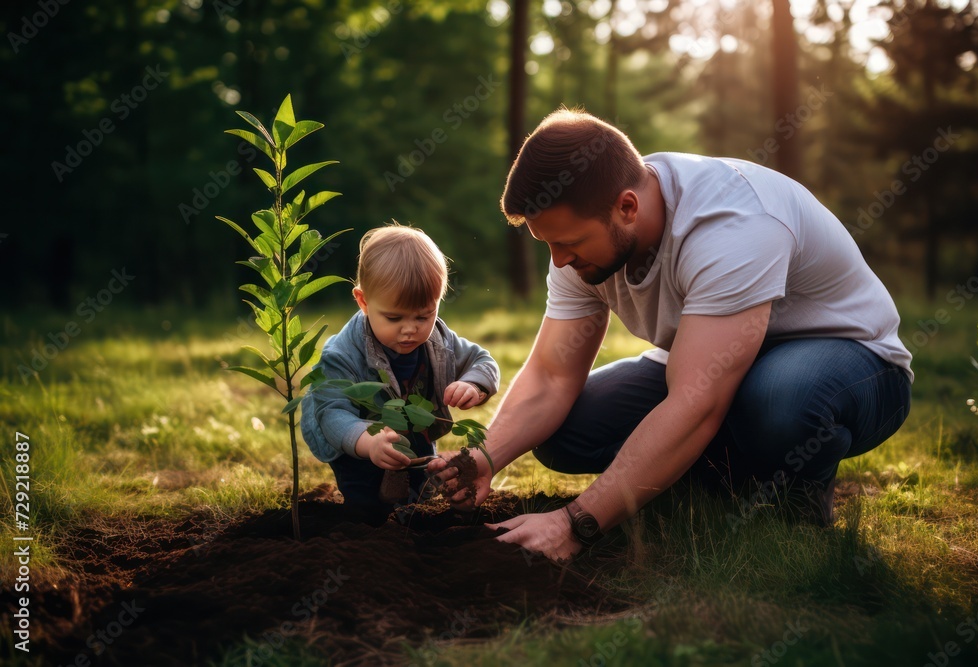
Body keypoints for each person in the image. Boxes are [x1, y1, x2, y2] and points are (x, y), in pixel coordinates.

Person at [429, 108, 913, 561]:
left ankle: (798, 506)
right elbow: (553, 375)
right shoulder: (586, 240)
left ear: (627, 207)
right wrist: (485, 458)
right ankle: (717, 485)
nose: (559, 262)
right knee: (565, 434)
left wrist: (576, 524)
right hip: (713, 364)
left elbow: (696, 403)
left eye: (569, 243)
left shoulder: (732, 226)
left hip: (852, 365)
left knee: (779, 404)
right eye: (548, 244)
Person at [300, 224, 500, 512]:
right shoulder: (343, 353)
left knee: (421, 495)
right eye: (394, 318)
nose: (410, 329)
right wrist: (367, 442)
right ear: (363, 301)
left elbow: (482, 361)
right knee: (366, 502)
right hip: (358, 444)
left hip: (415, 431)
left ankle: (411, 525)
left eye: (423, 315)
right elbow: (332, 412)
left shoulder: (439, 341)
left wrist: (474, 385)